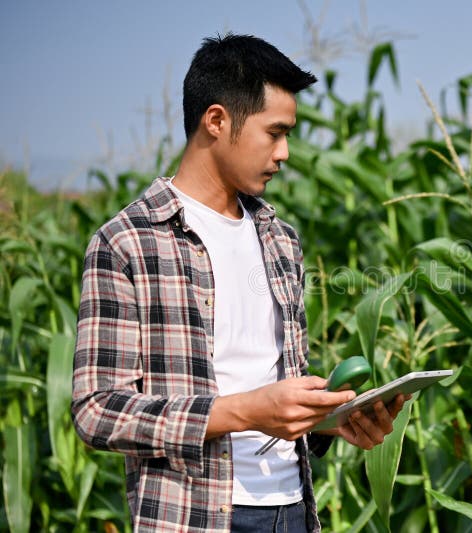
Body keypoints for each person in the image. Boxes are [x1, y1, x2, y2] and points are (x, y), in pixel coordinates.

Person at [71, 33, 408, 533]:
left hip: (293, 510)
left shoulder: (281, 241)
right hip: (194, 516)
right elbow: (97, 410)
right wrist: (244, 411)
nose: (285, 153)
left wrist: (331, 421)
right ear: (216, 121)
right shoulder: (127, 243)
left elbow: (274, 403)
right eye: (274, 133)